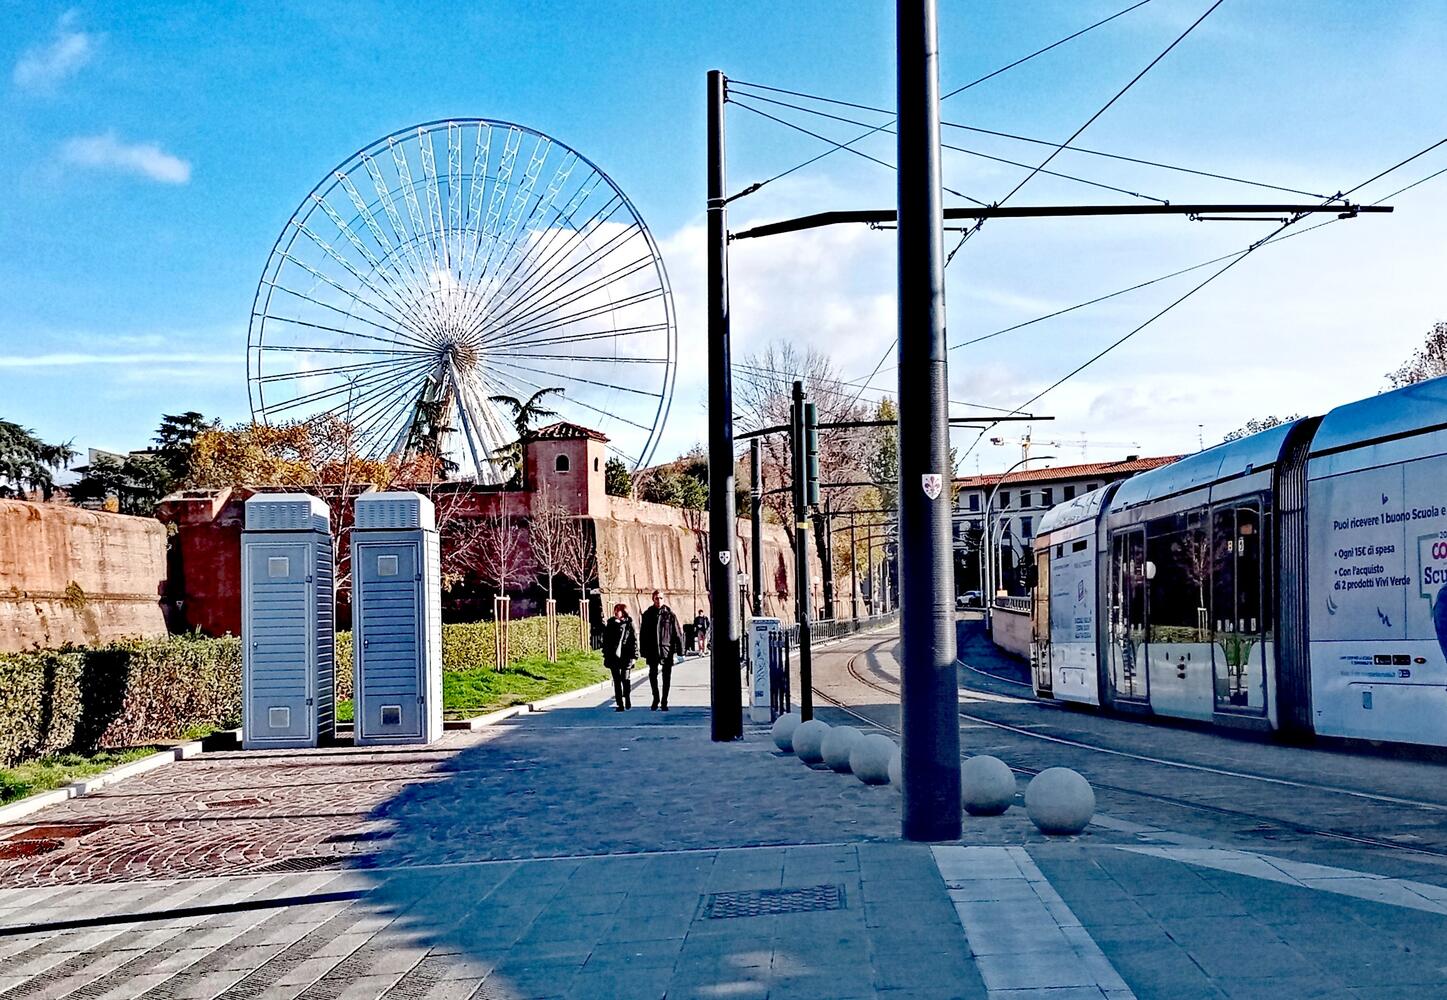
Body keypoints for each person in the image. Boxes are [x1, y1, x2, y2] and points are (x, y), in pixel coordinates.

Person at [639, 589, 684, 711]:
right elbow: (643, 634)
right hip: (652, 649)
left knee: (666, 676)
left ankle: (664, 700)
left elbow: (677, 632)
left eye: (661, 598)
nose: (659, 600)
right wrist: (642, 650)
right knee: (652, 674)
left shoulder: (670, 615)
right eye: (657, 598)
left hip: (666, 649)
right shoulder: (648, 614)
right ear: (653, 599)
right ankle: (656, 697)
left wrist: (681, 650)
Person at [601, 603, 636, 711]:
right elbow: (606, 640)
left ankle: (627, 697)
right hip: (613, 656)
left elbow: (633, 641)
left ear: (623, 612)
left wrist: (634, 656)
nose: (616, 612)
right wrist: (606, 654)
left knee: (625, 679)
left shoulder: (629, 624)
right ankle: (619, 704)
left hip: (626, 655)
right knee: (616, 681)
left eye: (618, 610)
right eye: (615, 610)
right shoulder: (610, 623)